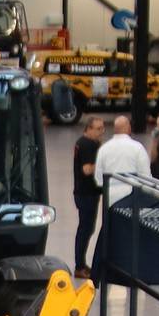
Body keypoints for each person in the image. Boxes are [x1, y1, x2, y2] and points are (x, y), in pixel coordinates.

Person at [95, 114, 159, 288]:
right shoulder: (137, 148)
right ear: (128, 128)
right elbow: (145, 178)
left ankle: (109, 270)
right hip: (133, 201)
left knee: (111, 238)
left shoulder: (104, 149)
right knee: (133, 240)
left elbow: (99, 179)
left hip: (110, 201)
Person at [71, 115, 107, 277]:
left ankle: (82, 263)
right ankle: (79, 266)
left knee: (87, 228)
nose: (102, 132)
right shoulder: (86, 145)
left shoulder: (91, 143)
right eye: (98, 129)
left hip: (89, 192)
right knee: (85, 229)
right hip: (86, 193)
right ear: (89, 128)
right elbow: (86, 169)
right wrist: (102, 162)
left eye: (102, 128)